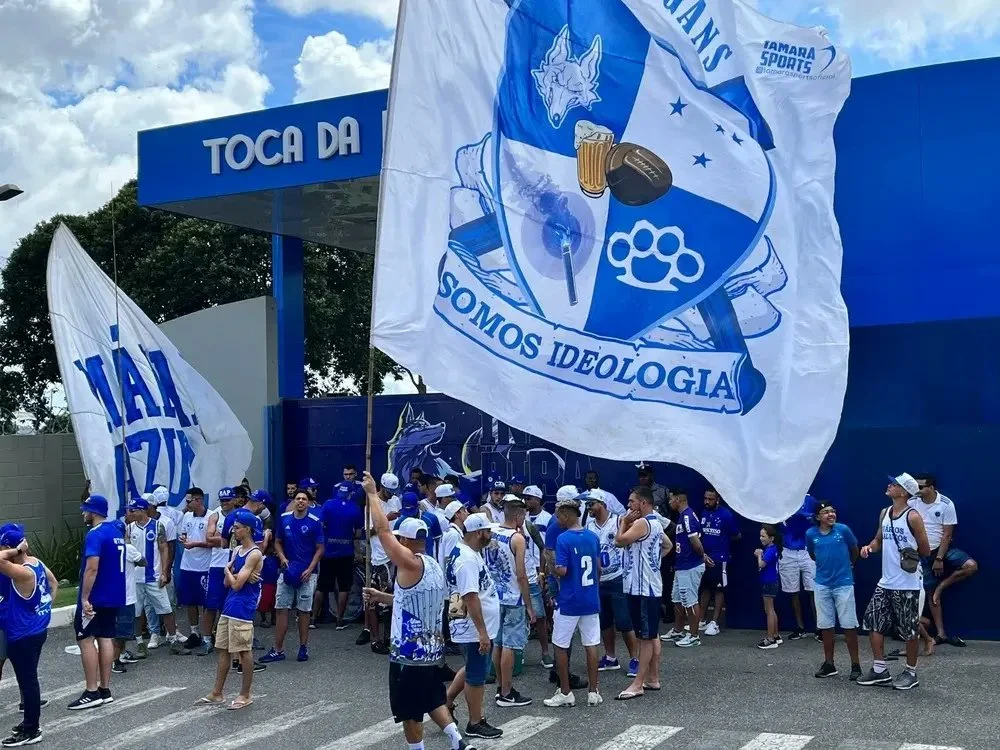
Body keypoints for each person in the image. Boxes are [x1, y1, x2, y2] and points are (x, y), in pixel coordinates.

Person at [360, 472, 474, 750]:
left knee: (410, 712)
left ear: (406, 541)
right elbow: (406, 599)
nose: (396, 542)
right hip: (431, 652)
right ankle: (457, 742)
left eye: (400, 539)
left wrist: (373, 495)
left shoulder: (410, 563)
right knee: (433, 699)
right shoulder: (431, 564)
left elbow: (383, 532)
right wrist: (381, 596)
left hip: (409, 656)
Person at [858, 474, 931, 691]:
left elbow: (925, 550)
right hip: (886, 582)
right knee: (873, 621)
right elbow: (878, 539)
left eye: (894, 484)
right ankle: (880, 669)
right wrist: (869, 548)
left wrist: (909, 552)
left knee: (909, 630)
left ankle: (910, 672)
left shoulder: (913, 516)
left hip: (908, 583)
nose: (889, 485)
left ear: (903, 491)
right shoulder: (885, 513)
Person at [443, 513, 503, 740]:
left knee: (470, 668)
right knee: (476, 677)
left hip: (469, 626)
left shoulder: (465, 552)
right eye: (488, 531)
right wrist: (482, 633)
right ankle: (475, 722)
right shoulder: (467, 559)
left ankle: (447, 701)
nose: (491, 535)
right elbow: (470, 597)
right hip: (472, 628)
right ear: (479, 533)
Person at [201, 511, 265, 710]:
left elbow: (236, 584)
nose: (233, 531)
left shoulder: (254, 553)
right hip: (230, 605)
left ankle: (245, 694)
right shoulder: (237, 551)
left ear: (248, 529)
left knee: (244, 651)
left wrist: (229, 571)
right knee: (223, 649)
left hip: (243, 607)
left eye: (237, 527)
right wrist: (231, 574)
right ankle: (217, 692)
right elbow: (227, 583)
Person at [544, 496, 602, 708]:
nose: (557, 519)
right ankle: (594, 691)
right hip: (590, 598)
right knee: (591, 644)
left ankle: (566, 692)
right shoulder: (593, 537)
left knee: (560, 645)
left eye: (559, 515)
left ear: (567, 515)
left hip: (569, 600)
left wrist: (551, 567)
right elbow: (598, 568)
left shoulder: (564, 539)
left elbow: (562, 570)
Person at [0, 524, 56, 747]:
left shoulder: (22, 572)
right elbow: (53, 583)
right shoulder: (37, 564)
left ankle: (32, 728)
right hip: (36, 630)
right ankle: (28, 724)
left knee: (28, 683)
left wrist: (14, 551)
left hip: (22, 635)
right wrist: (46, 605)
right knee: (29, 681)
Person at [69, 493, 126, 710]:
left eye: (86, 510)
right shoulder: (115, 531)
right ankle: (105, 689)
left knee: (85, 639)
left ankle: (92, 690)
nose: (84, 513)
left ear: (94, 512)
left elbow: (92, 567)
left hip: (96, 595)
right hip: (114, 595)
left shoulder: (95, 534)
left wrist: (84, 597)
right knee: (106, 638)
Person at [910, 473, 976, 648]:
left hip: (941, 551)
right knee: (930, 593)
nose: (917, 490)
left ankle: (942, 586)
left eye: (921, 487)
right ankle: (941, 634)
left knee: (970, 566)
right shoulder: (912, 503)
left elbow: (947, 535)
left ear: (931, 488)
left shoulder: (946, 504)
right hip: (921, 553)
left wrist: (939, 558)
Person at [259, 489, 324, 664]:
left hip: (307, 574)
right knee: (281, 609)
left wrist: (310, 569)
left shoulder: (315, 522)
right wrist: (283, 558)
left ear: (309, 503)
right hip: (286, 572)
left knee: (303, 612)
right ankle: (278, 649)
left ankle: (303, 647)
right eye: (298, 498)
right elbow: (278, 542)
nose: (301, 501)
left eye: (304, 499)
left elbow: (320, 548)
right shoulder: (284, 518)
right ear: (293, 501)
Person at [484, 495, 535, 708]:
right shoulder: (517, 539)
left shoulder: (493, 531)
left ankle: (500, 685)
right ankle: (506, 691)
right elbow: (521, 574)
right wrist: (529, 605)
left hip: (495, 595)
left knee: (498, 642)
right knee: (510, 645)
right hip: (513, 596)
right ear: (519, 515)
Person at [615, 486, 665, 700]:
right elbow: (668, 544)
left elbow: (620, 540)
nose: (629, 506)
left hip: (642, 587)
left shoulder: (642, 523)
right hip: (648, 585)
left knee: (645, 637)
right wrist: (654, 562)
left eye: (632, 502)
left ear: (643, 503)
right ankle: (652, 677)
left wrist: (625, 523)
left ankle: (638, 683)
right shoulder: (656, 523)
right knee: (651, 635)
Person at [584, 491, 638, 677]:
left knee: (624, 621)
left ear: (602, 503)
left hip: (617, 577)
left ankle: (635, 659)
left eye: (591, 503)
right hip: (598, 580)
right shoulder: (589, 525)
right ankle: (610, 657)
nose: (588, 507)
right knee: (605, 621)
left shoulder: (618, 521)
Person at [806, 502, 862, 680]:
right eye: (826, 512)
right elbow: (812, 554)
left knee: (849, 625)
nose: (831, 514)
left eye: (833, 511)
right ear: (817, 517)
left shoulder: (843, 530)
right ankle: (829, 664)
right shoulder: (810, 534)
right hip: (822, 584)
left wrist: (849, 566)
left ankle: (855, 665)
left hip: (843, 584)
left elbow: (855, 550)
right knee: (825, 626)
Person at [358, 473, 401, 652]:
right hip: (379, 558)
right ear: (381, 488)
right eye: (388, 491)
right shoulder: (371, 504)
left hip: (395, 555)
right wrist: (386, 520)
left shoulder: (396, 500)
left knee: (393, 602)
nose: (391, 495)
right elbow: (367, 534)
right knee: (375, 601)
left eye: (393, 492)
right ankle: (375, 639)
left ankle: (389, 638)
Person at [129, 497, 177, 655]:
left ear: (142, 510)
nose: (130, 513)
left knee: (166, 608)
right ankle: (139, 642)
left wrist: (164, 572)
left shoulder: (157, 526)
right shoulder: (129, 528)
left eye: (133, 510)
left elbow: (164, 549)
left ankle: (173, 639)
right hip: (135, 579)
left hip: (153, 576)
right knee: (136, 612)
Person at [315, 487, 364, 630]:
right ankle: (339, 621)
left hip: (327, 552)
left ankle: (313, 619)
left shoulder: (328, 504)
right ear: (350, 494)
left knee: (321, 586)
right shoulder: (355, 508)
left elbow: (321, 525)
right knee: (344, 587)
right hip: (346, 553)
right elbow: (358, 532)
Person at [199, 487, 239, 656]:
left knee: (232, 604)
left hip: (236, 563)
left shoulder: (240, 515)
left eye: (228, 500)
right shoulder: (215, 515)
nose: (224, 504)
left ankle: (230, 639)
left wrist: (221, 537)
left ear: (235, 500)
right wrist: (229, 537)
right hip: (217, 565)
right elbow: (209, 538)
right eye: (222, 501)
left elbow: (246, 538)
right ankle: (207, 639)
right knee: (211, 605)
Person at [172, 488, 213, 655]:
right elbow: (184, 534)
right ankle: (194, 632)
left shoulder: (211, 517)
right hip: (187, 565)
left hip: (204, 566)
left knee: (206, 602)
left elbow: (213, 543)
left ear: (199, 501)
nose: (186, 504)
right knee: (189, 601)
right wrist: (184, 539)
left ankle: (207, 635)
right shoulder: (186, 516)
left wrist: (195, 544)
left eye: (189, 501)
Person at [698, 488, 741, 636]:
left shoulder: (726, 515)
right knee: (704, 589)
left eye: (710, 499)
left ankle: (715, 623)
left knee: (719, 590)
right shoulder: (703, 513)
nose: (707, 502)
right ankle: (701, 620)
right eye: (705, 498)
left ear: (718, 499)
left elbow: (737, 535)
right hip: (704, 558)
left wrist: (723, 544)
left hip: (720, 559)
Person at [780, 494, 821, 640]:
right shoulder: (780, 499)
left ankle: (819, 628)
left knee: (814, 591)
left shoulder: (810, 499)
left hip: (806, 550)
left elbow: (818, 519)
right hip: (788, 550)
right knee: (793, 592)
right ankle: (800, 627)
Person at [521, 485, 553, 670]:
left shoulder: (547, 518)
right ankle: (519, 652)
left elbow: (546, 547)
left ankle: (545, 652)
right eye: (525, 498)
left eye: (530, 498)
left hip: (539, 567)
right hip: (522, 569)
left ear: (539, 499)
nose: (527, 501)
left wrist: (544, 570)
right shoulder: (520, 519)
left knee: (541, 611)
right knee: (520, 615)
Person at [113, 502, 145, 675]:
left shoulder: (106, 548)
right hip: (126, 595)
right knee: (121, 631)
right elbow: (144, 561)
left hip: (112, 594)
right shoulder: (128, 548)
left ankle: (122, 654)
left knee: (119, 630)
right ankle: (115, 660)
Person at [756, 524, 782, 649]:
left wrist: (759, 554)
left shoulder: (770, 550)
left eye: (763, 536)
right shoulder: (773, 548)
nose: (761, 538)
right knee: (771, 609)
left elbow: (761, 564)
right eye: (760, 536)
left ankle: (770, 639)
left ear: (771, 538)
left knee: (769, 611)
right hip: (771, 581)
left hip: (769, 582)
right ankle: (776, 635)